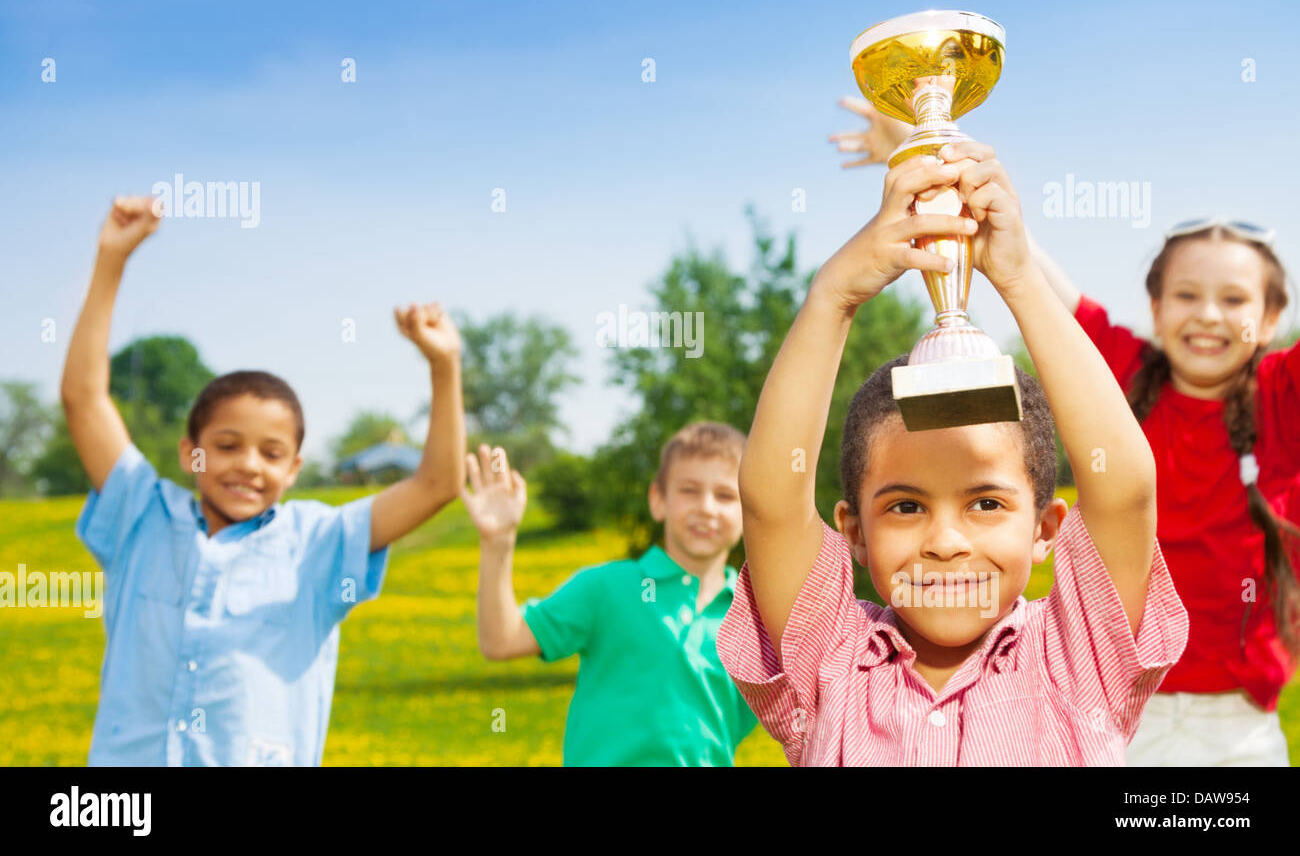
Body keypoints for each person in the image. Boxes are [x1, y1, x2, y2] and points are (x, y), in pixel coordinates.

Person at [717, 144, 1188, 765]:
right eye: (906, 506)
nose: (945, 540)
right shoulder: (831, 658)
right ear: (854, 532)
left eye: (986, 502)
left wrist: (1018, 278)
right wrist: (832, 297)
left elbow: (1123, 486)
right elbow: (772, 501)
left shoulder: (1077, 660)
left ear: (1046, 528)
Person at [61, 195, 466, 765]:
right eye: (227, 446)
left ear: (294, 469)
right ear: (190, 453)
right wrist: (112, 262)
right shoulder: (140, 516)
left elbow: (436, 484)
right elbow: (83, 399)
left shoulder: (320, 542)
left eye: (272, 453)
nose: (249, 465)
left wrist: (444, 367)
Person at [1029, 216, 1300, 765]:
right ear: (1155, 309)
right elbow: (1029, 277)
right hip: (1116, 716)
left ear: (1270, 318)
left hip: (1239, 730)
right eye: (1186, 295)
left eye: (1233, 299)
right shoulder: (1121, 370)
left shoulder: (1283, 397)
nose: (1207, 314)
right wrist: (944, 158)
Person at [463, 423, 759, 765]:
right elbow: (500, 641)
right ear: (658, 500)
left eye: (725, 495)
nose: (706, 507)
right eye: (689, 490)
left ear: (748, 510)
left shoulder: (757, 619)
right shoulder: (604, 589)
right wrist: (498, 543)